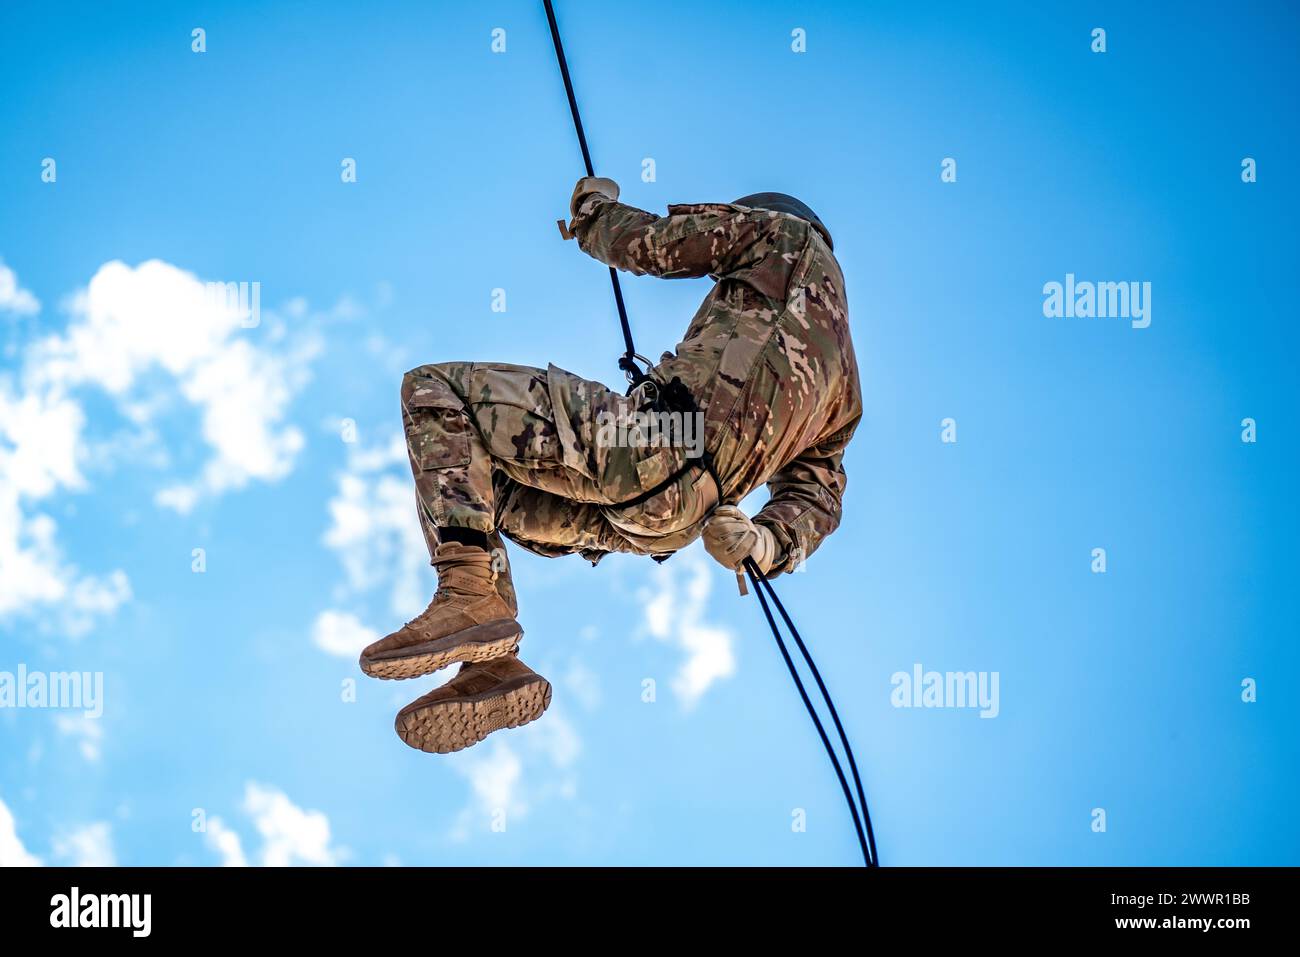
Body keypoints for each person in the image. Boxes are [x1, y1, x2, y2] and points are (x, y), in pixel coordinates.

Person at [358, 178, 862, 754]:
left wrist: (595, 213)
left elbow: (659, 242)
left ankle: (469, 592)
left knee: (436, 391)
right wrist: (765, 545)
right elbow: (818, 496)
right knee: (480, 484)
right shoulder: (844, 385)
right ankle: (493, 661)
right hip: (671, 521)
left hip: (657, 441)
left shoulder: (785, 238)